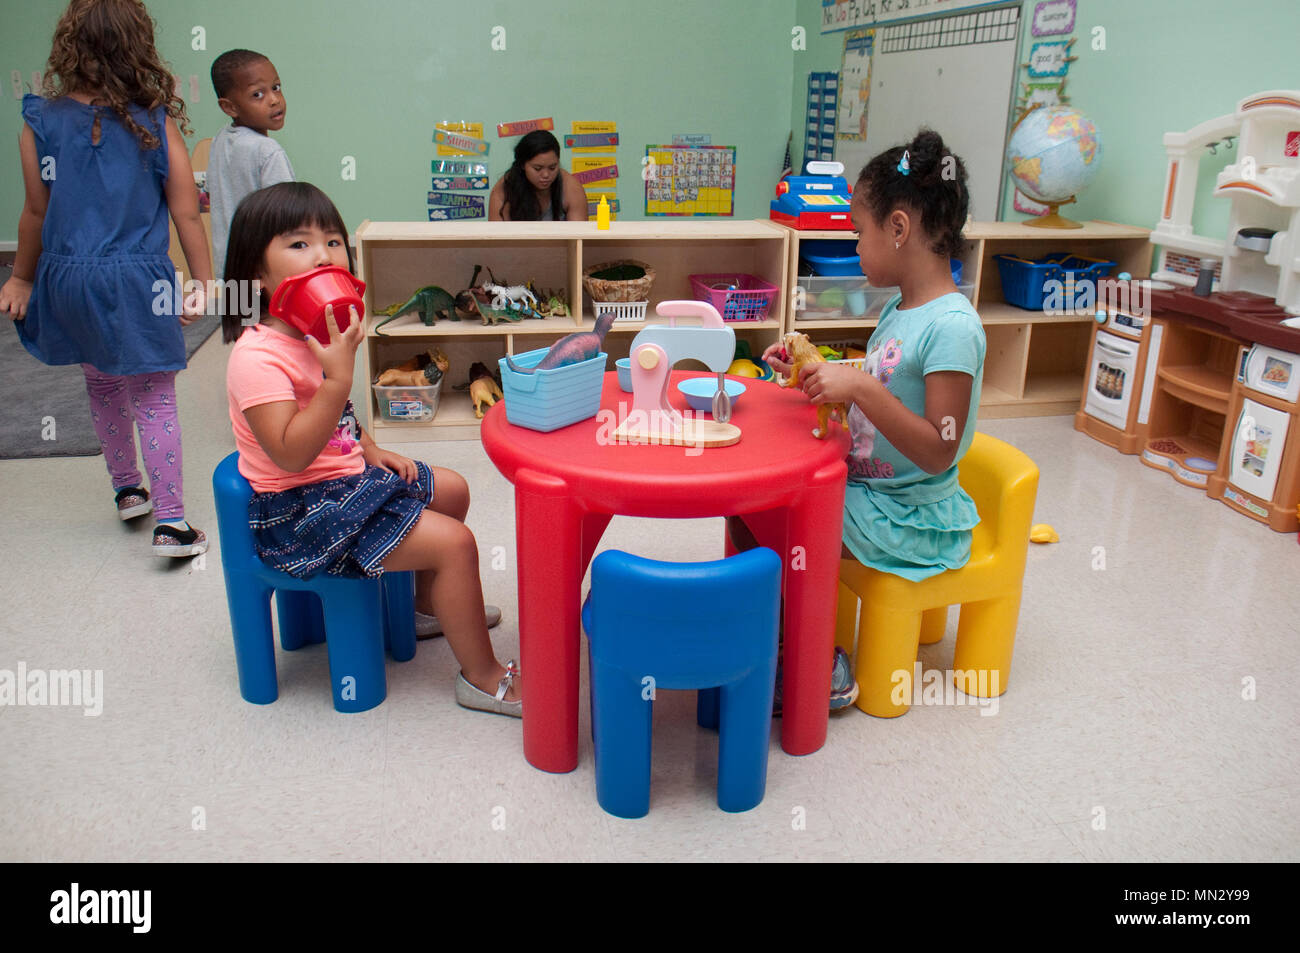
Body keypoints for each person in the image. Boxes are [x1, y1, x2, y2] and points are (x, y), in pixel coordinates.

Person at [221, 182, 519, 716]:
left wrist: (368, 445)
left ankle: (427, 606)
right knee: (455, 544)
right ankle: (482, 677)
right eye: (298, 244)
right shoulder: (256, 358)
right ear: (256, 276)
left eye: (333, 241)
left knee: (452, 489)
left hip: (344, 479)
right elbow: (290, 453)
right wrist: (337, 379)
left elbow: (341, 420)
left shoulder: (321, 332)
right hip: (301, 509)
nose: (322, 254)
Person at [745, 128, 986, 714]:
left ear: (899, 229)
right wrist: (819, 371)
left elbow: (938, 450)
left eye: (858, 233)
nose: (855, 247)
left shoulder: (952, 327)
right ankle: (775, 636)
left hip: (911, 515)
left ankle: (816, 662)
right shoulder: (903, 308)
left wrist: (859, 388)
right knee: (757, 502)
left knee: (782, 516)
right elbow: (883, 377)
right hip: (875, 492)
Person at [0, 0, 212, 557]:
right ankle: (171, 524)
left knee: (100, 382)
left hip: (69, 277)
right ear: (139, 47)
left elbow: (35, 213)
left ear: (68, 46)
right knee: (155, 396)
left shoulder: (40, 121)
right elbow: (186, 211)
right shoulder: (154, 121)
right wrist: (204, 280)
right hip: (136, 279)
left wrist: (21, 280)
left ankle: (127, 490)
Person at [207, 48, 294, 278]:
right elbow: (288, 221)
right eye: (258, 94)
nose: (274, 100)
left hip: (229, 273)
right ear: (229, 107)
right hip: (266, 275)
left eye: (276, 87)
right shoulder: (268, 151)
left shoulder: (219, 141)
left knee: (239, 315)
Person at [488, 130, 588, 221]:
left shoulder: (571, 187)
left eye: (552, 167)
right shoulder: (504, 189)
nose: (546, 175)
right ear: (523, 165)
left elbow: (579, 237)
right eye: (537, 168)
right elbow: (496, 237)